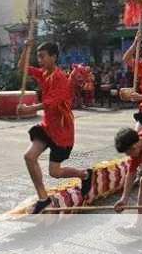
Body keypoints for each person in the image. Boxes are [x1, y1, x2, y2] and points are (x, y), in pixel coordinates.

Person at [17, 42, 93, 214]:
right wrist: (26, 49)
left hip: (62, 131)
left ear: (54, 57)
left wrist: (28, 109)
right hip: (47, 127)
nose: (40, 60)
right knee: (29, 157)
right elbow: (22, 67)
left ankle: (85, 174)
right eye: (39, 56)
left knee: (55, 172)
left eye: (43, 56)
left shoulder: (60, 79)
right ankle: (43, 198)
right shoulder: (44, 73)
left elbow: (50, 104)